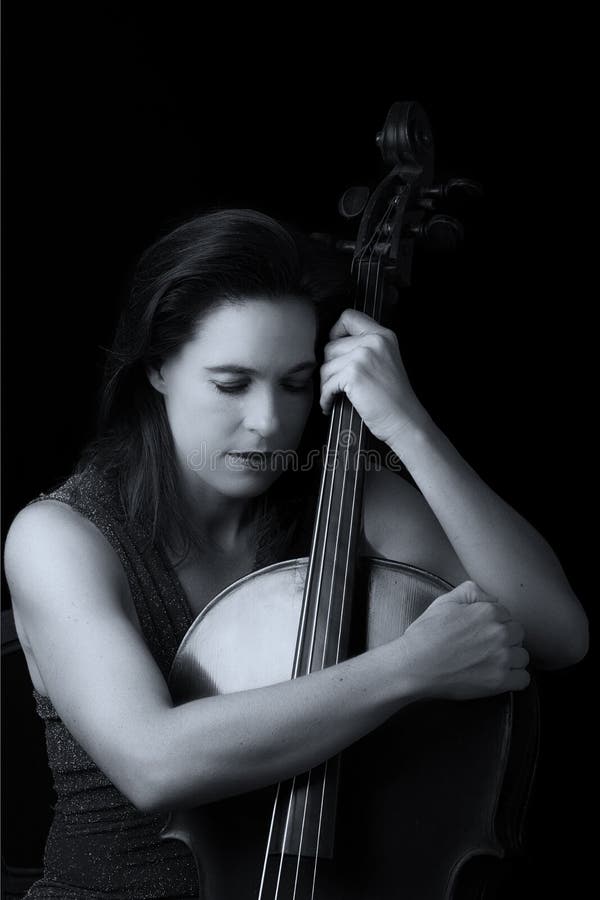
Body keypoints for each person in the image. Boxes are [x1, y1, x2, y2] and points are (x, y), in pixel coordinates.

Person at [3, 208, 588, 898]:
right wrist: (410, 666)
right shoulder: (61, 535)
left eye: (295, 383)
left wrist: (406, 423)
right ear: (158, 369)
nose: (269, 421)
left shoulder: (347, 498)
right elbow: (153, 764)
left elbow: (558, 634)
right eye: (231, 384)